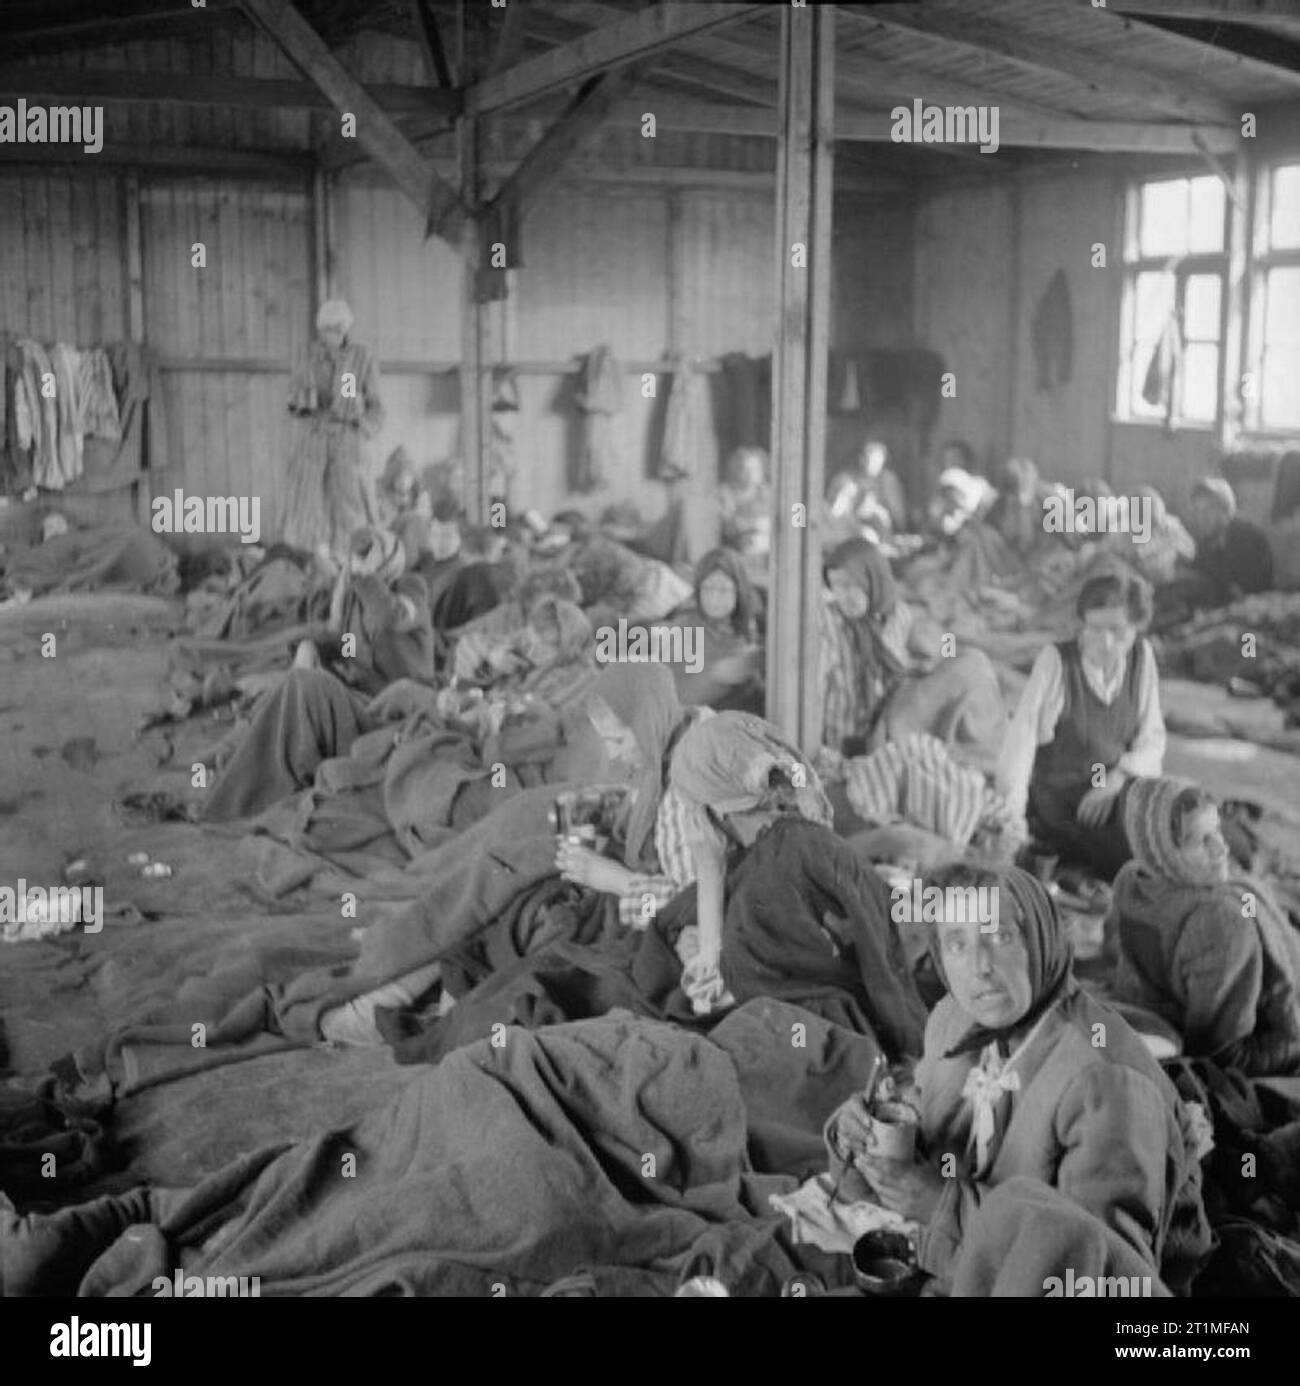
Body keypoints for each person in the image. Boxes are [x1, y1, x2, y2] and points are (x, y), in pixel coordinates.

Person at [825, 864, 1212, 1296]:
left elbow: (1096, 1271)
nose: (979, 967)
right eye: (957, 943)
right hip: (952, 1252)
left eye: (1001, 937)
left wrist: (938, 1205)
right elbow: (930, 1137)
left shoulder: (1104, 1082)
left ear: (1041, 940)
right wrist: (861, 1138)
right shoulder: (955, 1021)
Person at [1110, 777, 1300, 1076]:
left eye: (1217, 830)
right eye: (1201, 840)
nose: (1221, 847)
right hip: (1220, 1055)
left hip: (1156, 1018)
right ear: (1162, 851)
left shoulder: (1131, 879)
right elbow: (1223, 1053)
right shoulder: (1222, 922)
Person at [998, 572, 1164, 879]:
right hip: (1060, 808)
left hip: (1112, 796)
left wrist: (1114, 781)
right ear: (1082, 624)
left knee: (1167, 823)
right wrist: (1012, 820)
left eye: (1117, 630)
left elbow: (1152, 741)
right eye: (1095, 629)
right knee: (1137, 858)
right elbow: (1020, 743)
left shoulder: (1142, 659)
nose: (1105, 642)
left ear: (1137, 627)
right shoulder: (1057, 662)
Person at [820, 537, 1005, 765]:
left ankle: (985, 751)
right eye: (835, 586)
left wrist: (926, 666)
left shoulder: (898, 615)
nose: (842, 596)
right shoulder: (829, 622)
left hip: (891, 721)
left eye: (850, 585)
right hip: (851, 739)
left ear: (872, 578)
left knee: (973, 663)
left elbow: (931, 650)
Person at [282, 299, 384, 564]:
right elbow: (292, 400)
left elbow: (377, 410)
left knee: (350, 505)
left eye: (339, 328)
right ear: (320, 329)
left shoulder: (361, 357)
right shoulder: (305, 355)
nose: (334, 334)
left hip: (348, 440)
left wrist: (360, 421)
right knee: (308, 504)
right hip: (313, 438)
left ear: (347, 328)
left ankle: (352, 561)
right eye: (328, 328)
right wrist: (301, 402)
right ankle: (311, 562)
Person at [668, 547, 763, 711]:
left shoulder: (748, 622)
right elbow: (676, 696)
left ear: (739, 592)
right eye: (707, 589)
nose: (714, 598)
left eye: (724, 590)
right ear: (698, 590)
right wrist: (717, 676)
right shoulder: (683, 630)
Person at [1186, 477, 1275, 601]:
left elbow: (1242, 588)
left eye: (1208, 510)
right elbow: (1199, 574)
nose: (1201, 518)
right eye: (1197, 511)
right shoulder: (1206, 543)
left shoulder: (1248, 537)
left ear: (1225, 510)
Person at [717, 445, 772, 563]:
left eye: (755, 470)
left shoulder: (768, 493)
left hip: (766, 551)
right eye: (745, 469)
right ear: (736, 470)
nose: (750, 474)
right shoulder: (726, 493)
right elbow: (727, 525)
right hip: (738, 551)